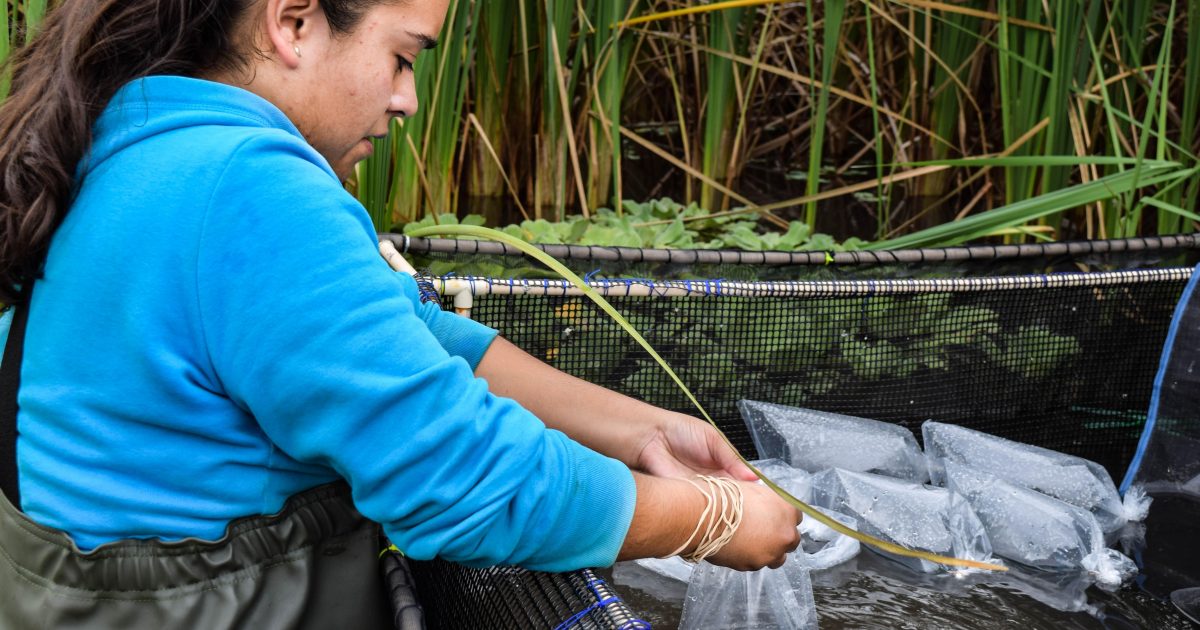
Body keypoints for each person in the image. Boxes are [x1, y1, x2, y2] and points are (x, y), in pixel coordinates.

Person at [0, 0, 801, 626]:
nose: (408, 99)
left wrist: (640, 430)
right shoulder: (249, 186)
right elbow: (463, 480)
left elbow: (408, 330)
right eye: (402, 56)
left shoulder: (133, 144)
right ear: (294, 23)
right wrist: (716, 519)